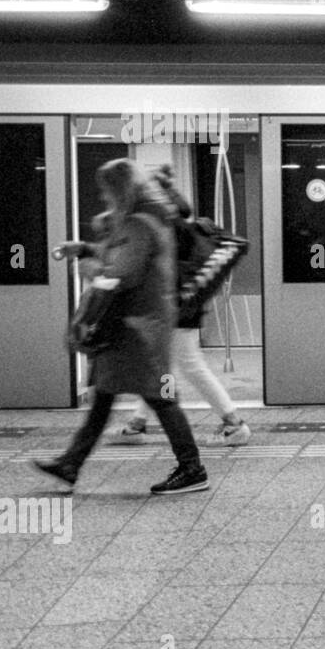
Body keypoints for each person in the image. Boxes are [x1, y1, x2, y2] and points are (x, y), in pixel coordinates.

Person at [33, 159, 209, 495]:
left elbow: (122, 273)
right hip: (135, 325)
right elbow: (120, 253)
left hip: (138, 327)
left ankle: (192, 468)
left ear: (119, 189)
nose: (103, 197)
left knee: (162, 396)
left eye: (106, 190)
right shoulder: (145, 218)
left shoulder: (140, 222)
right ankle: (70, 464)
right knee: (107, 396)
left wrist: (90, 271)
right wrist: (85, 248)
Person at [112, 165, 251, 446]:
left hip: (175, 306)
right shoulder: (177, 223)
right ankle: (137, 424)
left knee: (186, 365)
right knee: (168, 366)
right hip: (181, 304)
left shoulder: (168, 227)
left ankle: (233, 422)